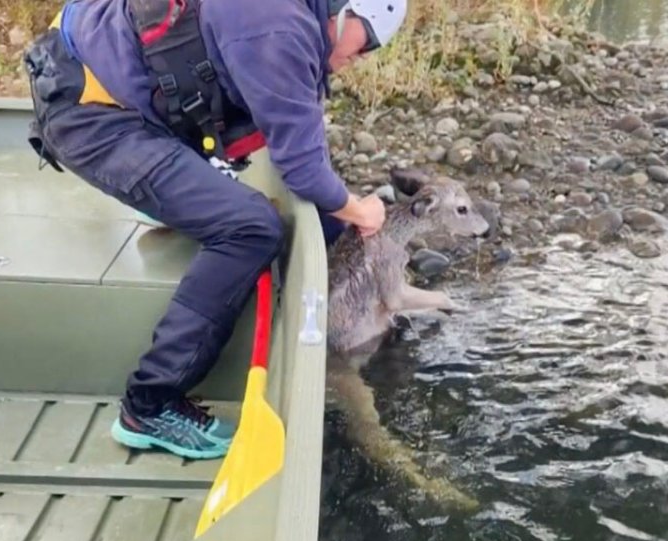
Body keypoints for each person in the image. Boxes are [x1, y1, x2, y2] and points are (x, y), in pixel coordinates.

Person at [22, 0, 408, 459]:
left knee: (314, 215)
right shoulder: (276, 28)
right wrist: (361, 211)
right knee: (251, 228)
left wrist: (337, 210)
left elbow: (297, 132)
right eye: (367, 42)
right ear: (344, 12)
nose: (362, 58)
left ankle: (171, 193)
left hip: (100, 63)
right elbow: (303, 170)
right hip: (89, 112)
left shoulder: (285, 17)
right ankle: (150, 403)